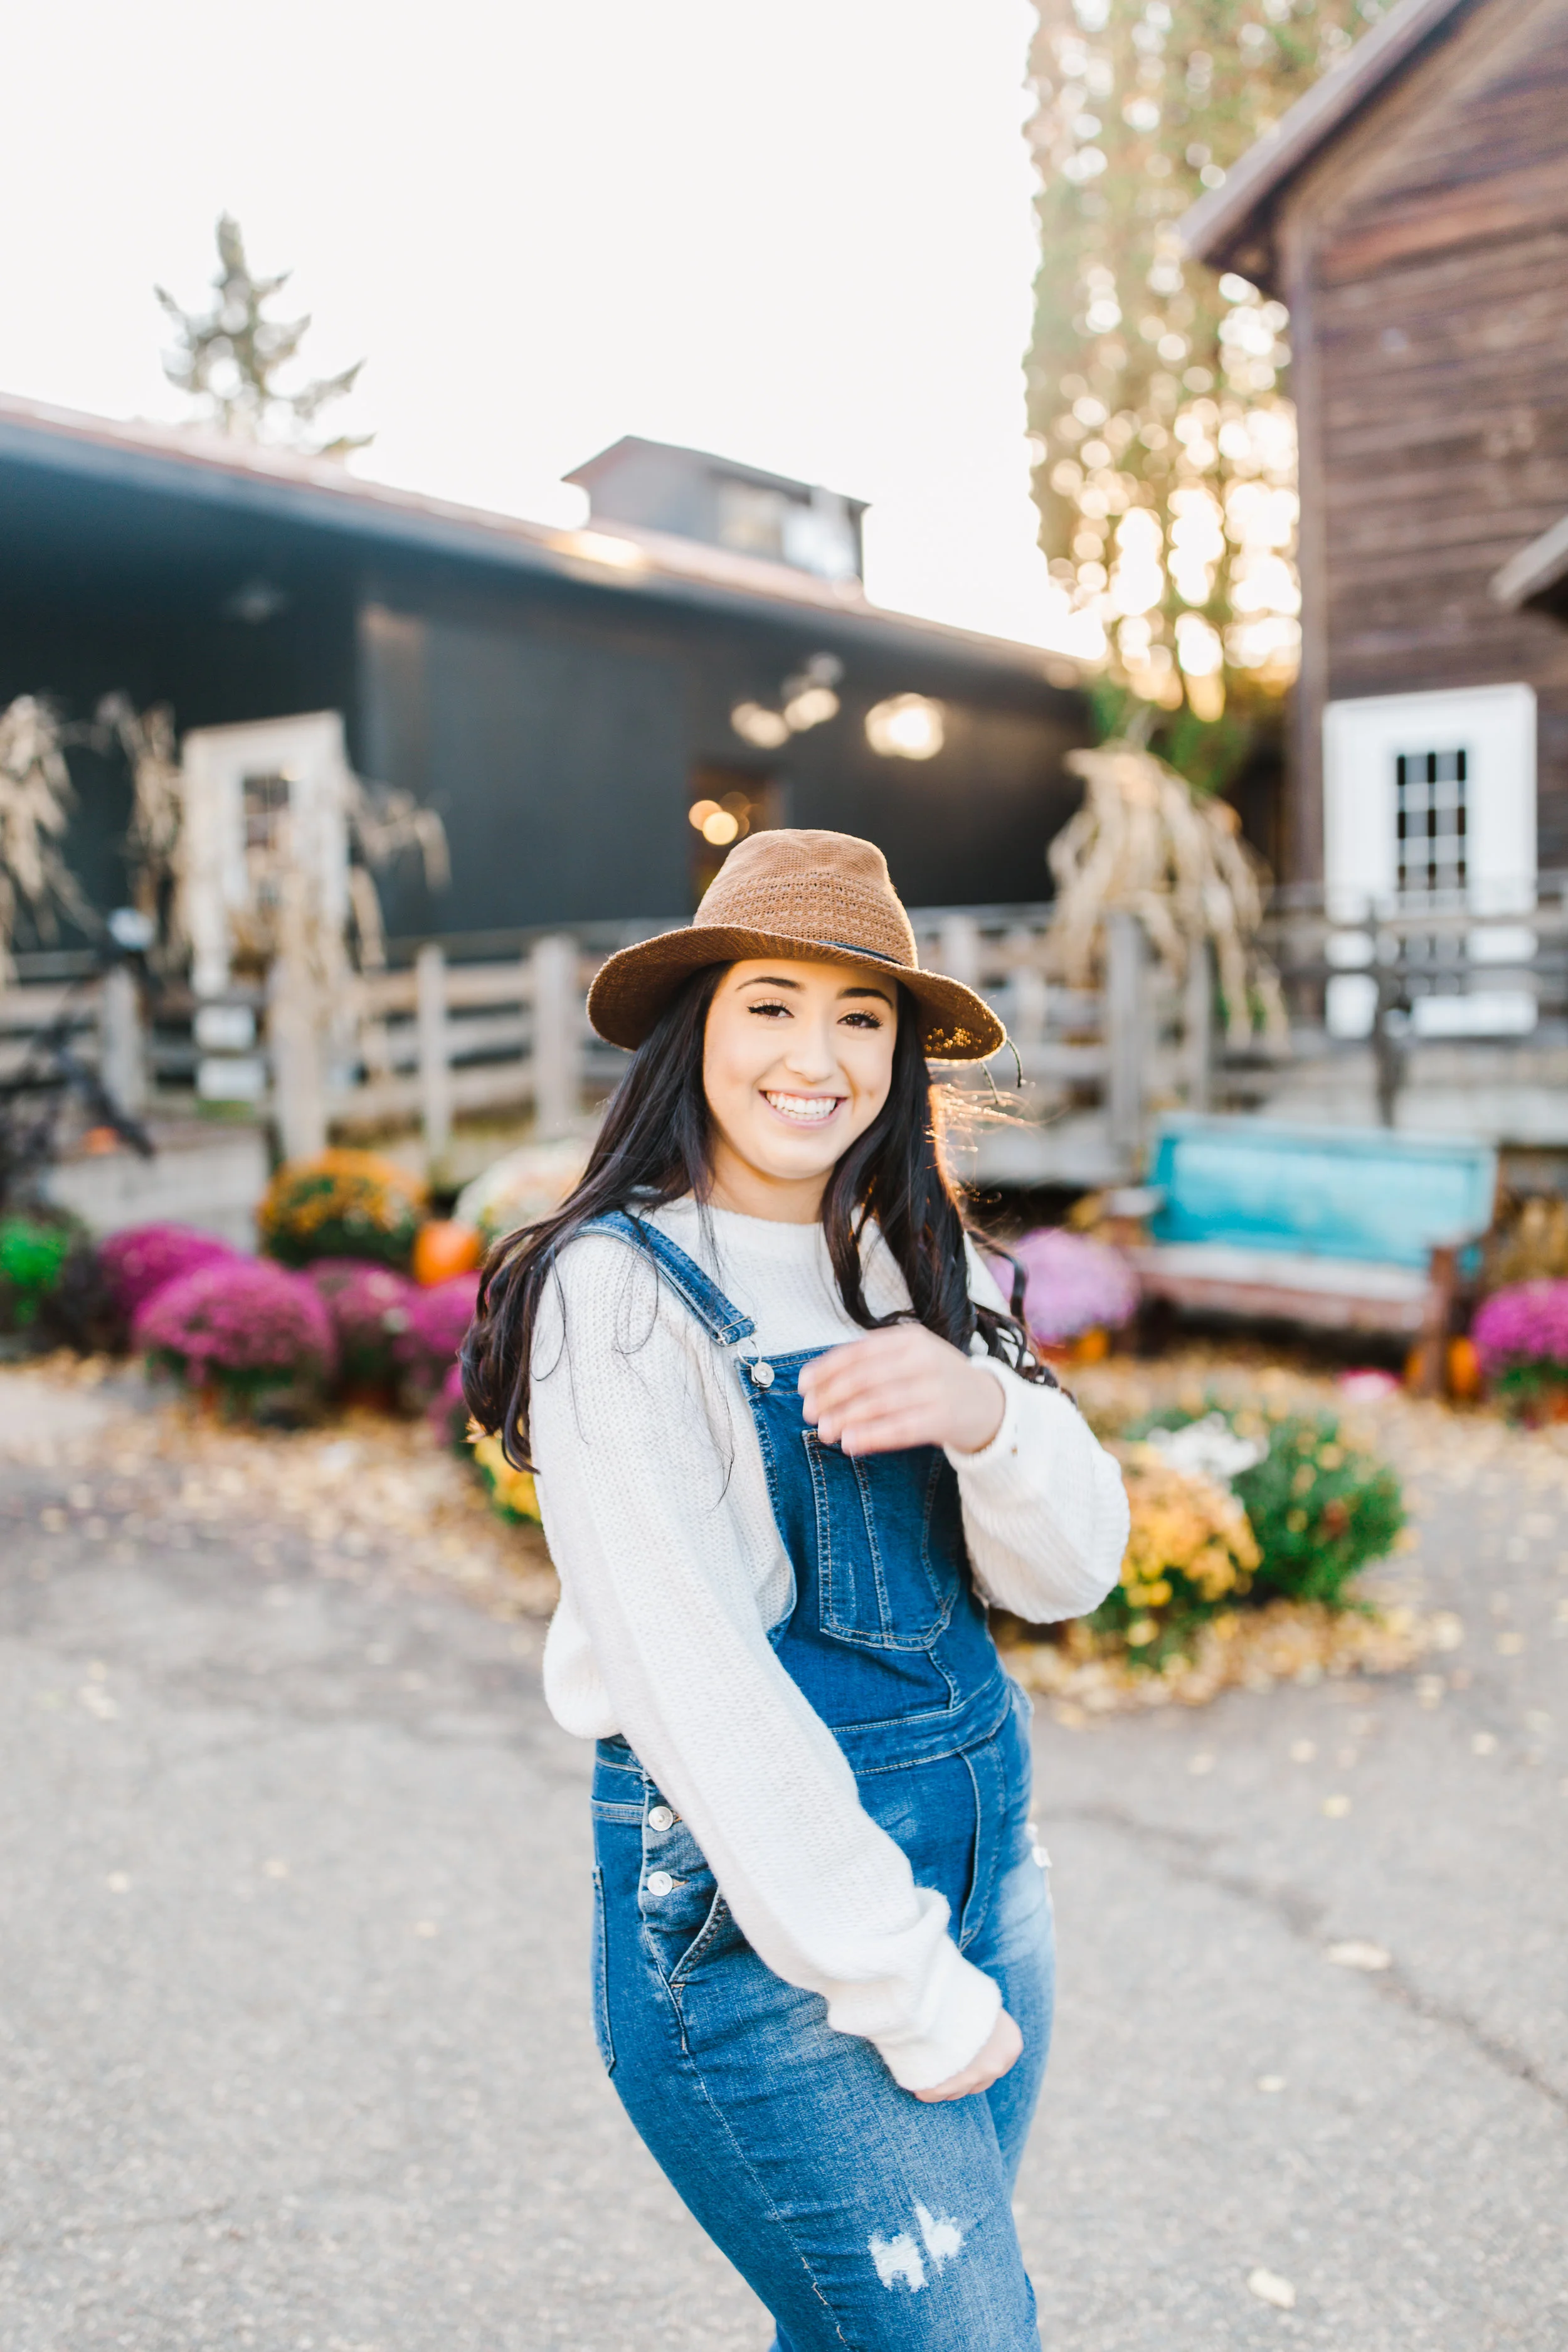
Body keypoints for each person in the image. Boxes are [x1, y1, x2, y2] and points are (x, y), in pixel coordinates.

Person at [462, 830, 1128, 2349]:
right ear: (697, 1025)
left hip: (977, 1860)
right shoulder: (619, 1291)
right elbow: (697, 1692)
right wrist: (899, 1979)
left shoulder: (917, 1260)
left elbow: (1071, 1571)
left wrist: (983, 1414)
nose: (814, 1057)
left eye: (860, 1017)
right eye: (770, 1003)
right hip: (761, 1916)